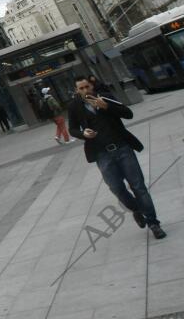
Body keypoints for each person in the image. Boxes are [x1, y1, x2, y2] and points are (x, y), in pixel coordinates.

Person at [67, 76, 165, 239]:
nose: (85, 90)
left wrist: (106, 107)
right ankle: (136, 209)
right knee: (117, 189)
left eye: (87, 87)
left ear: (92, 86)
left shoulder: (106, 97)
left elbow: (128, 114)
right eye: (81, 88)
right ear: (77, 90)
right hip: (101, 154)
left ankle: (154, 223)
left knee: (138, 187)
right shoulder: (74, 106)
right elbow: (72, 129)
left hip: (122, 148)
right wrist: (83, 133)